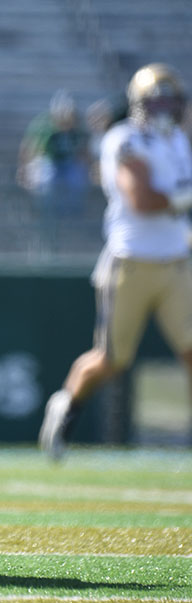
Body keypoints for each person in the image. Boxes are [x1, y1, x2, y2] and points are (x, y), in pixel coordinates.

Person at [40, 63, 192, 461]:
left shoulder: (177, 139)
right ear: (139, 104)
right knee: (111, 359)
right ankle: (66, 404)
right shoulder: (123, 139)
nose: (165, 108)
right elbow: (142, 200)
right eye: (156, 100)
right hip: (131, 264)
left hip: (177, 262)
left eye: (171, 99)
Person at [17, 89, 92, 248]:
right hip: (49, 162)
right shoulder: (45, 126)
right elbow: (30, 148)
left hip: (67, 163)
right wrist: (23, 169)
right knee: (47, 175)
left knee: (77, 176)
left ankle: (72, 213)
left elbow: (83, 152)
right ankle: (45, 212)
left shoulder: (77, 129)